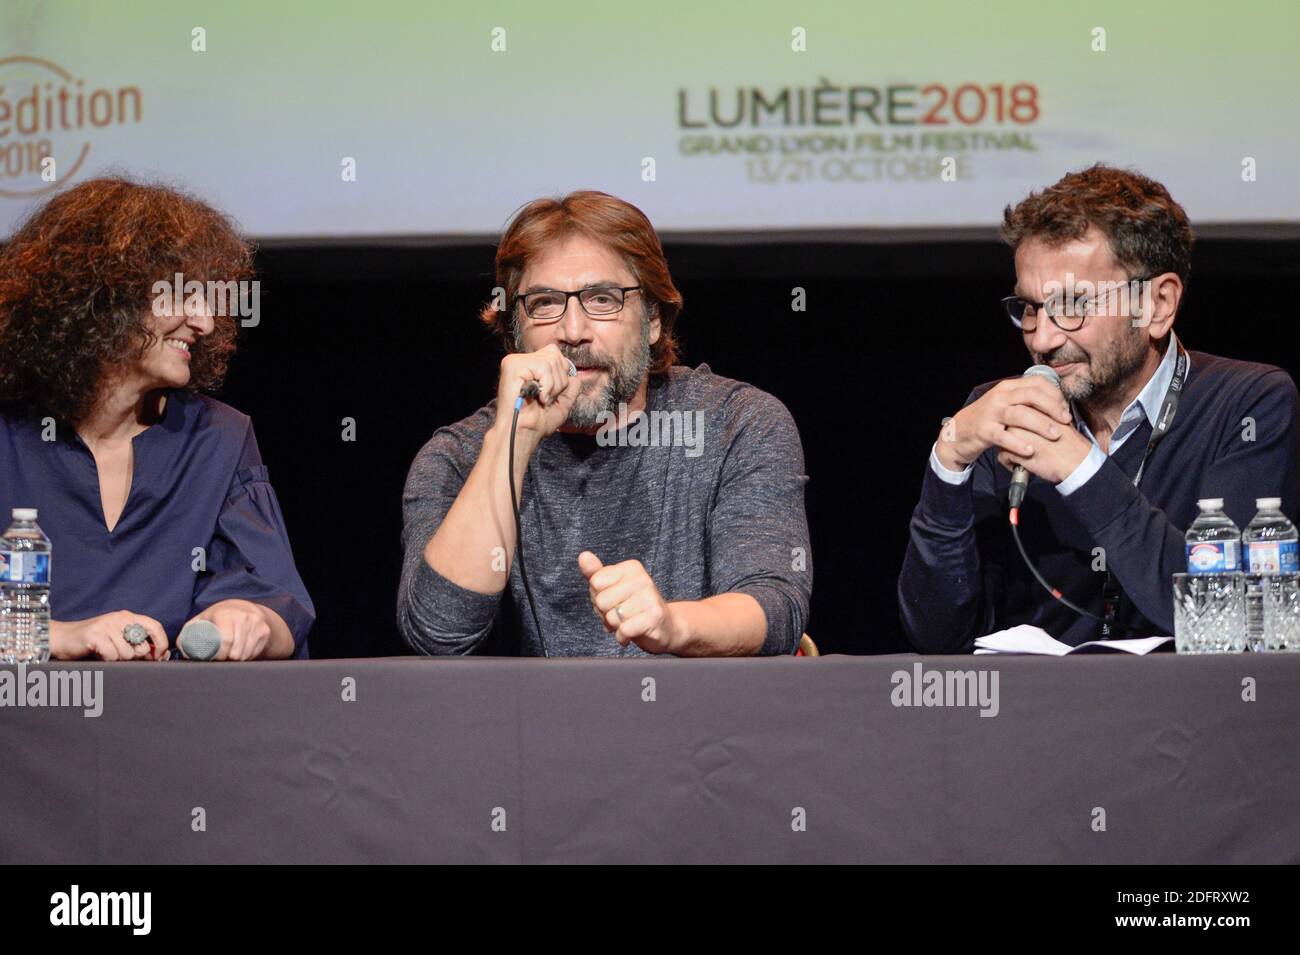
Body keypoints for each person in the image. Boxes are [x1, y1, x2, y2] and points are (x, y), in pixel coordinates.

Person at [899, 164, 1299, 651]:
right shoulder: (1002, 415)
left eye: (1073, 305)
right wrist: (948, 465)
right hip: (1029, 715)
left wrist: (1078, 468)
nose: (1042, 340)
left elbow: (1226, 621)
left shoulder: (1248, 404)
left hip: (1187, 718)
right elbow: (937, 638)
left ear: (1157, 305)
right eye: (1030, 308)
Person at [398, 191, 811, 656]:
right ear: (515, 326)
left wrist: (673, 623)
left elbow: (775, 608)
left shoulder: (737, 425)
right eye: (545, 303)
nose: (573, 331)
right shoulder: (458, 457)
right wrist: (513, 442)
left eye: (602, 299)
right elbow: (438, 636)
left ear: (652, 318)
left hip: (693, 723)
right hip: (524, 726)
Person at [0, 177, 315, 661]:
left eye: (208, 301)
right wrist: (57, 636)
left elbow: (275, 600)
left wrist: (247, 619)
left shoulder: (217, 437)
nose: (206, 322)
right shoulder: (10, 435)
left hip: (165, 727)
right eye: (183, 297)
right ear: (102, 298)